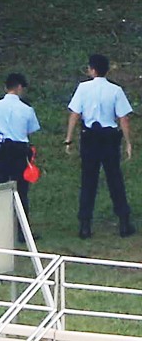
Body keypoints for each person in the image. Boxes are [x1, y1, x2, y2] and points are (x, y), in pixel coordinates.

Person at [65, 54, 135, 238]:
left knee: (89, 180)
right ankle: (124, 222)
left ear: (92, 69)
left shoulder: (83, 88)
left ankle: (85, 225)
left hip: (90, 137)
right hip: (109, 137)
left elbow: (75, 114)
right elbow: (123, 118)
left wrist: (69, 138)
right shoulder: (115, 90)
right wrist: (128, 142)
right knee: (115, 179)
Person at [0, 73, 41, 217]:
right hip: (19, 151)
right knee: (21, 190)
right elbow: (31, 130)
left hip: (0, 148)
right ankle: (22, 230)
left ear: (6, 87)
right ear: (18, 87)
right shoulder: (27, 109)